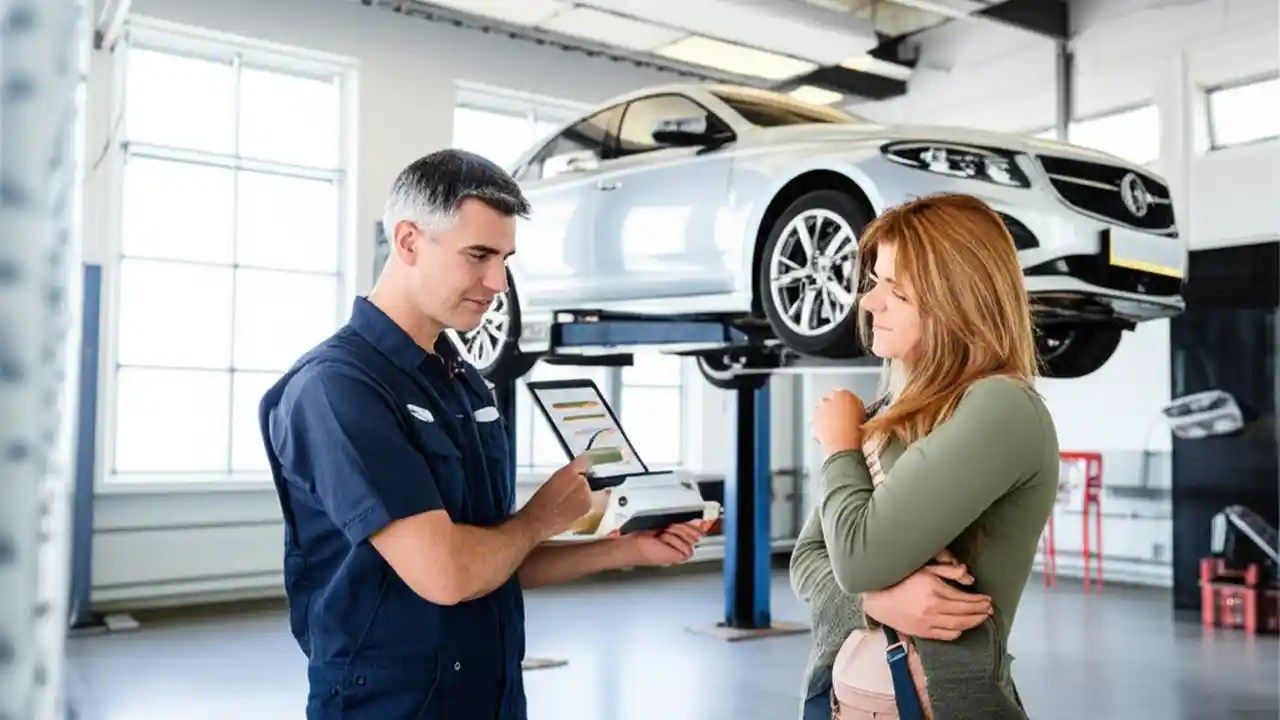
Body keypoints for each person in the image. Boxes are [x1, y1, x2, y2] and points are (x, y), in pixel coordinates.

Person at [258, 149, 708, 720]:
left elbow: (495, 558)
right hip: (392, 707)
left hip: (490, 698)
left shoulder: (462, 381)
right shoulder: (338, 390)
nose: (498, 281)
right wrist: (544, 515)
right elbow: (449, 574)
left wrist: (624, 549)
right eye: (478, 255)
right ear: (408, 242)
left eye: (505, 258)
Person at [791, 193, 1060, 719]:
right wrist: (875, 604)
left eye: (897, 291)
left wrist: (839, 444)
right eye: (873, 284)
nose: (869, 304)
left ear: (958, 301)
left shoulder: (1000, 407)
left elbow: (859, 556)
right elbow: (809, 559)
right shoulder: (890, 412)